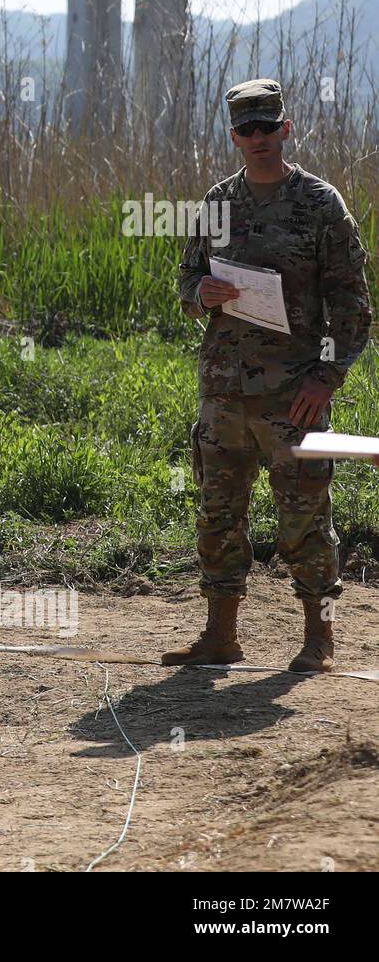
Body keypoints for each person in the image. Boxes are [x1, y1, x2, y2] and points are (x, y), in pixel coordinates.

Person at [171, 78, 371, 673]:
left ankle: (319, 639)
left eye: (268, 127)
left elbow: (353, 304)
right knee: (217, 515)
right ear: (234, 136)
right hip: (224, 392)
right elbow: (186, 282)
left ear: (286, 129)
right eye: (246, 130)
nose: (258, 138)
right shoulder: (217, 203)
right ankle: (220, 637)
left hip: (293, 395)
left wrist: (326, 377)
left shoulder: (320, 204)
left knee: (305, 519)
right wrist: (199, 292)